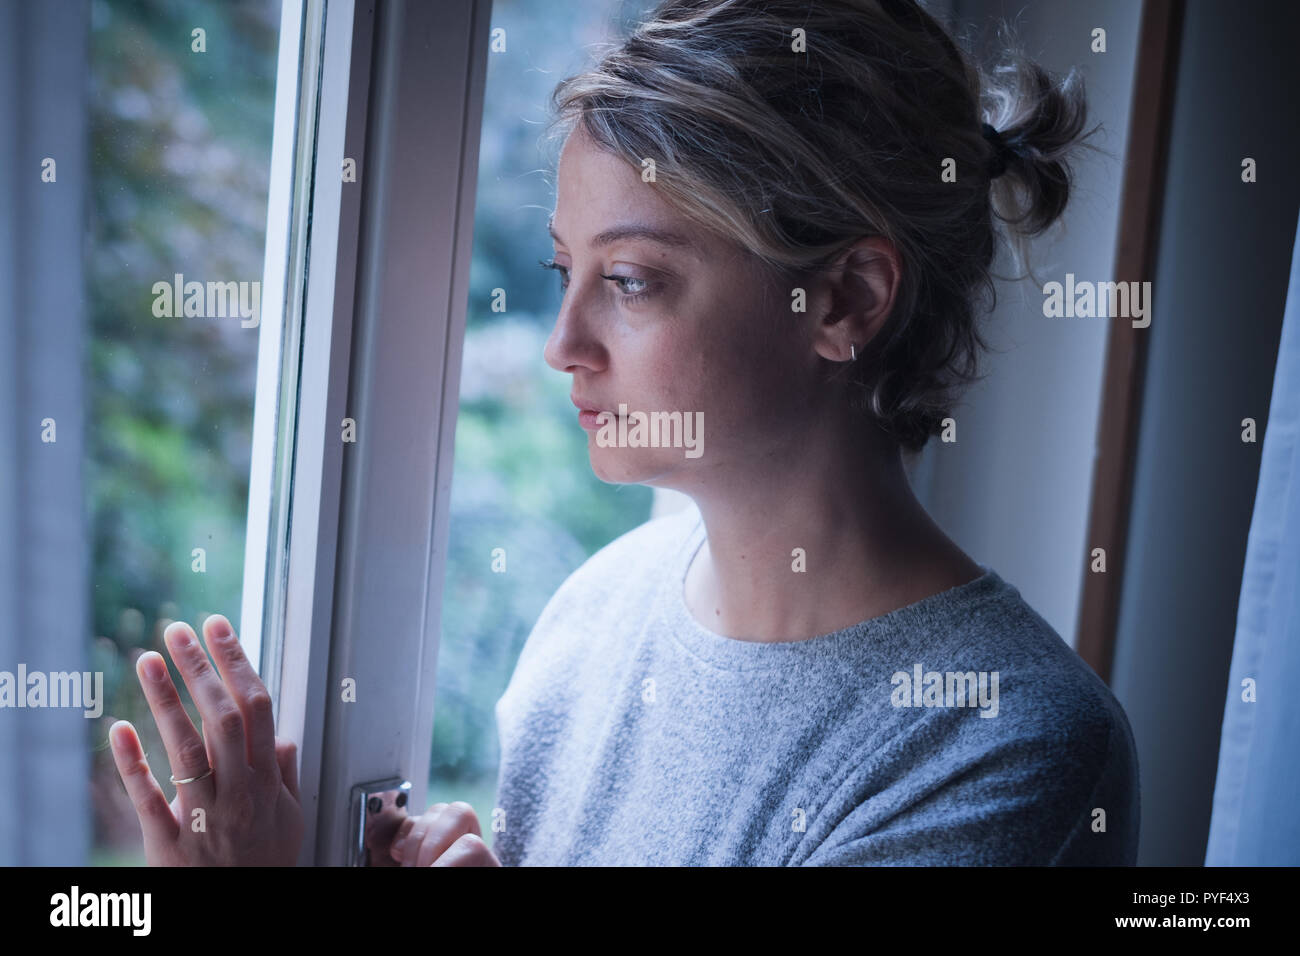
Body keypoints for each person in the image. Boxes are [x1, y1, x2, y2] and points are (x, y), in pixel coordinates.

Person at [110, 0, 1139, 866]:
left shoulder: (1000, 743)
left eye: (632, 280)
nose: (564, 343)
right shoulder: (592, 617)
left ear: (844, 300)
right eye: (566, 272)